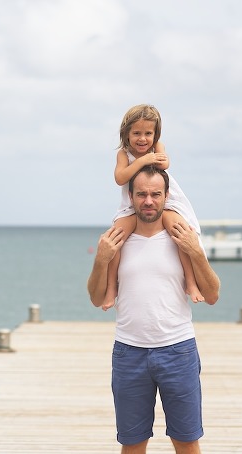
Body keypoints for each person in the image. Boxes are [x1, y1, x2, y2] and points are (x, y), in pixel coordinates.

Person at [87, 167, 220, 454]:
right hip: (129, 353)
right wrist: (100, 261)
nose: (148, 201)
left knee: (187, 440)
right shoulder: (117, 239)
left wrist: (197, 252)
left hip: (178, 351)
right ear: (130, 197)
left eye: (155, 194)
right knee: (132, 442)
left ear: (166, 196)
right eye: (141, 194)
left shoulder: (182, 235)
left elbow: (213, 294)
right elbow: (96, 296)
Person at [101, 104, 204, 311]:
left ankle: (191, 283)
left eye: (148, 133)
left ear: (155, 134)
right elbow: (120, 178)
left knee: (180, 233)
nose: (142, 139)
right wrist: (144, 161)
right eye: (136, 133)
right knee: (116, 238)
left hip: (165, 202)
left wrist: (154, 156)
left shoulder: (158, 146)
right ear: (126, 134)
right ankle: (112, 288)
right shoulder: (124, 154)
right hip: (132, 205)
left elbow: (165, 165)